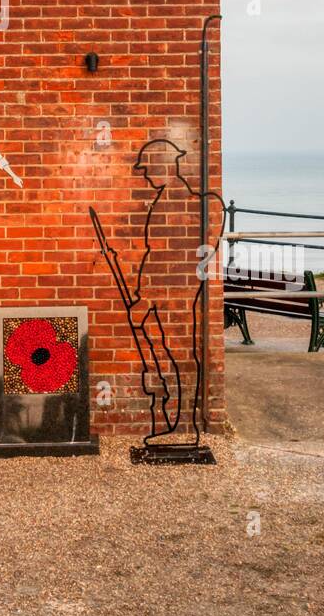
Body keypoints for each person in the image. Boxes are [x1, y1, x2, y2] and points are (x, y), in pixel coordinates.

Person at [90, 138, 225, 450]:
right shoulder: (169, 198)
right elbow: (156, 257)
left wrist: (145, 299)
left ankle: (183, 429)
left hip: (172, 298)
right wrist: (143, 296)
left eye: (149, 167)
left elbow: (167, 257)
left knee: (177, 356)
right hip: (162, 295)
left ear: (166, 164)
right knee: (166, 358)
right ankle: (174, 423)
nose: (146, 174)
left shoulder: (176, 200)